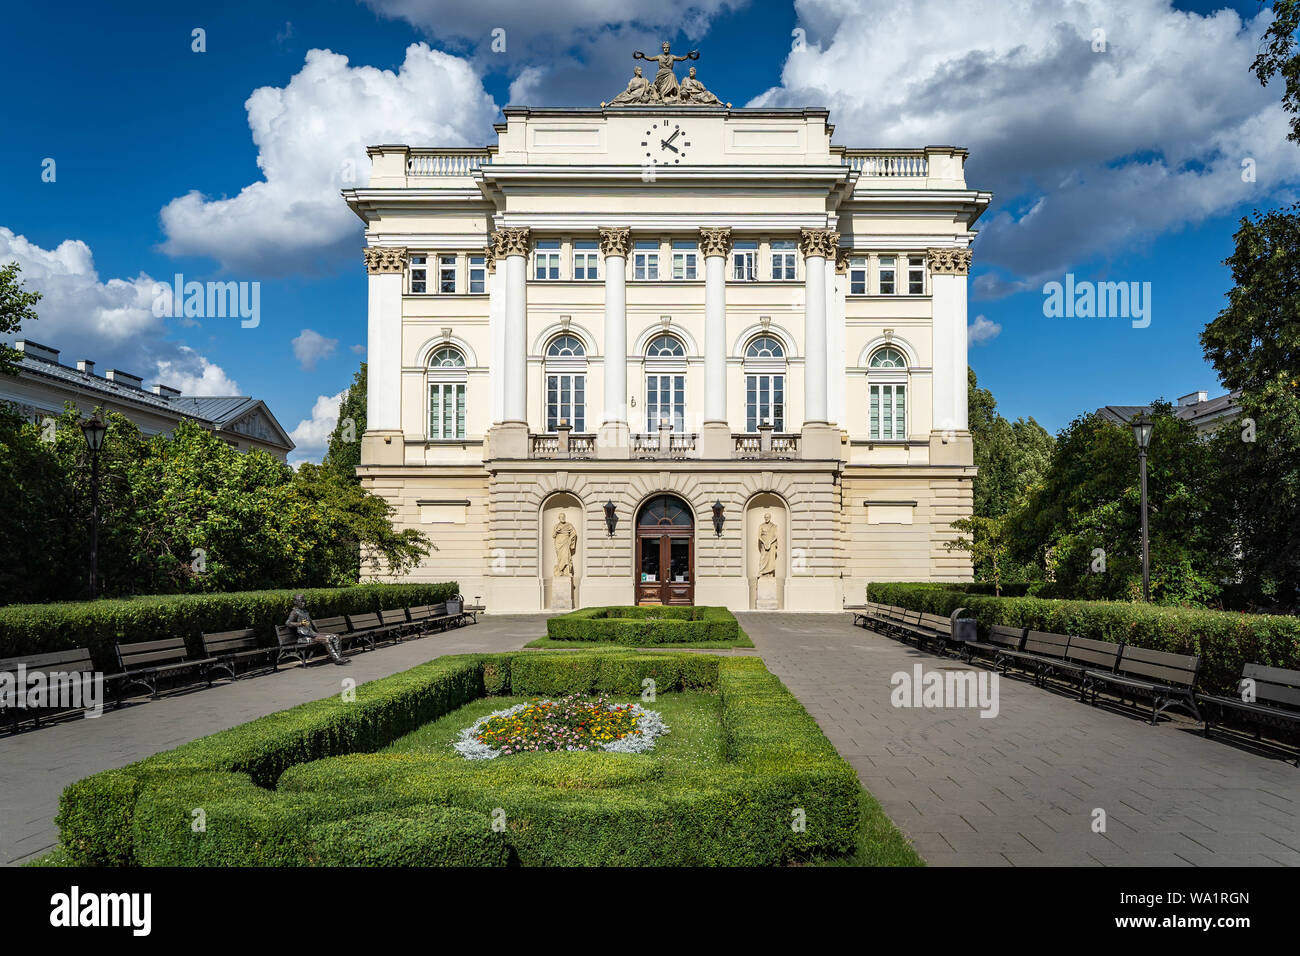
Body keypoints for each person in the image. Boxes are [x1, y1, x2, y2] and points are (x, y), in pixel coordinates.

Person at [286, 593, 349, 665]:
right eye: (301, 601)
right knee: (326, 639)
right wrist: (300, 624)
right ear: (295, 602)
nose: (303, 603)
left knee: (336, 637)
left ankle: (338, 657)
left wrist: (317, 630)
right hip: (304, 637)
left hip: (312, 634)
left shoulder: (305, 611)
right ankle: (337, 659)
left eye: (304, 601)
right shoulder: (294, 612)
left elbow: (310, 623)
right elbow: (288, 623)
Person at [633, 42, 698, 103]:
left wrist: (687, 56)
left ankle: (671, 95)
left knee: (672, 75)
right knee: (670, 76)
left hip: (669, 72)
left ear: (669, 49)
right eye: (664, 47)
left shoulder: (672, 56)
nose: (665, 49)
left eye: (667, 47)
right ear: (663, 48)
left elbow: (681, 59)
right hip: (661, 73)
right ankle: (662, 95)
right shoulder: (659, 56)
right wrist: (643, 56)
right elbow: (650, 59)